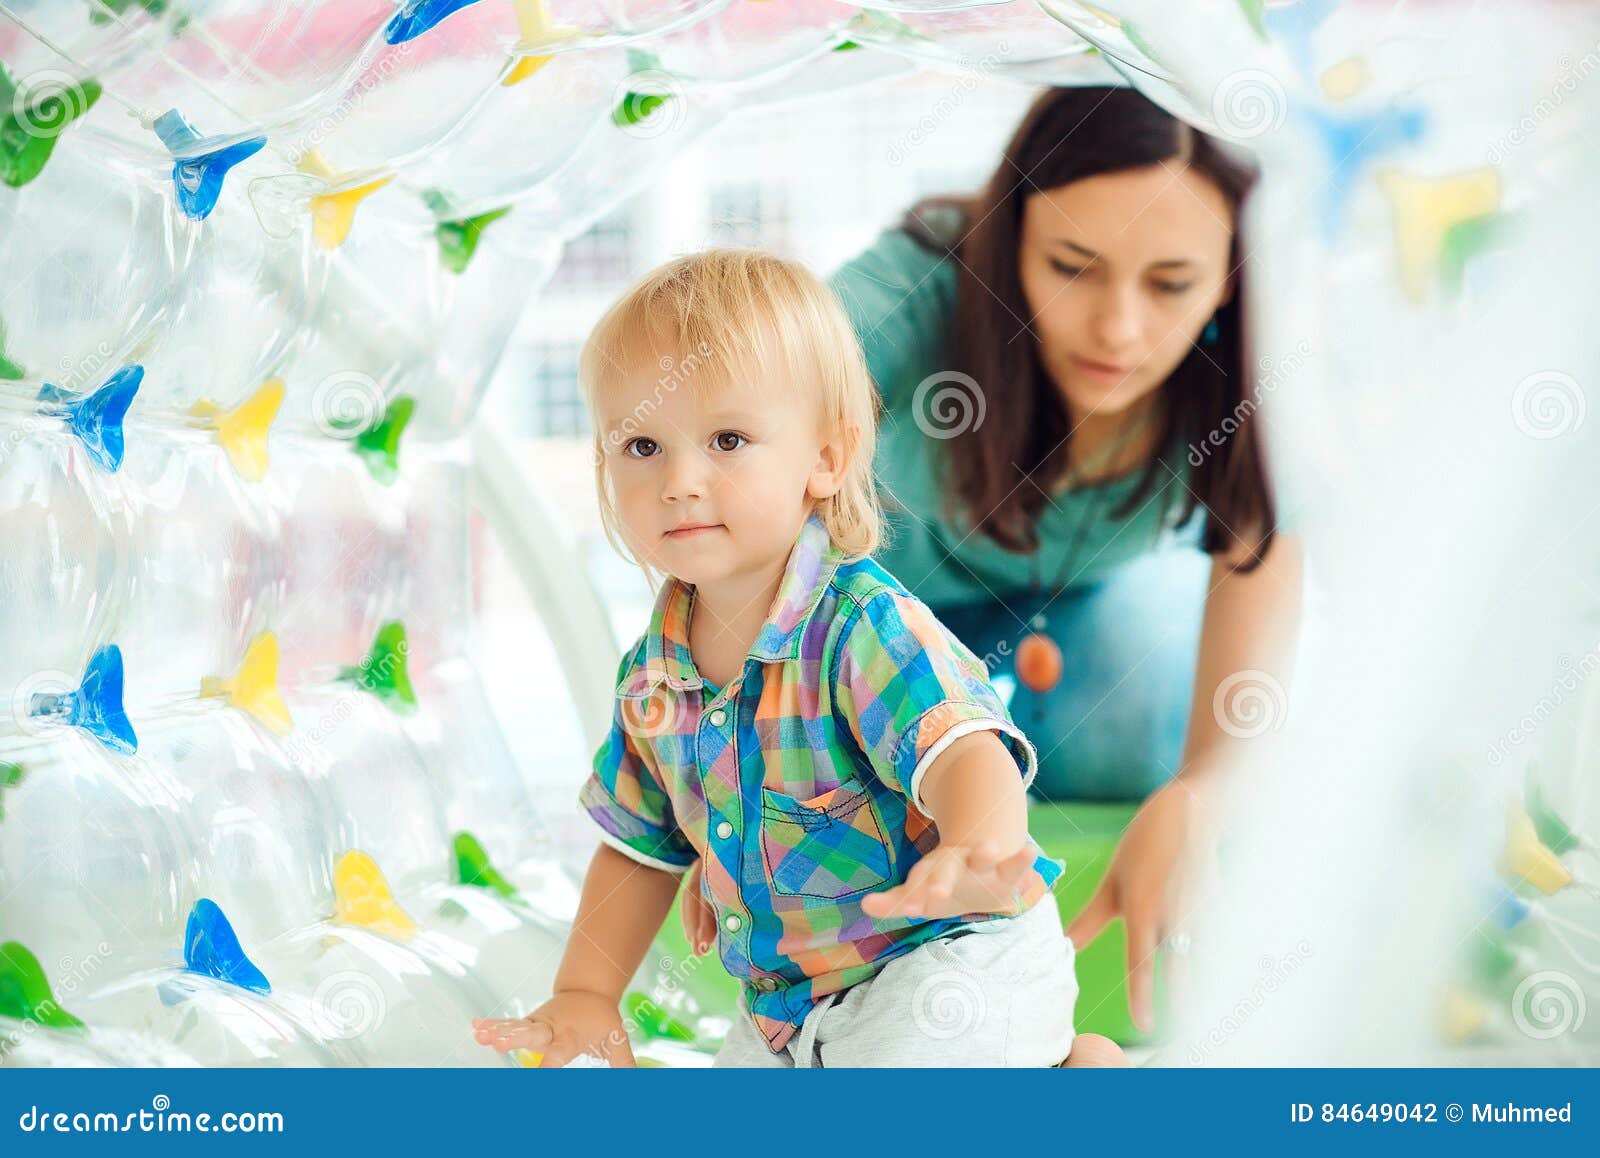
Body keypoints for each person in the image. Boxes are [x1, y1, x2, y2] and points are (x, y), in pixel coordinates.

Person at [686, 85, 1303, 1034]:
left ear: (1231, 275)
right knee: (824, 764)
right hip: (863, 613)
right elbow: (735, 443)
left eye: (1172, 283)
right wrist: (718, 749)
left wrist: (1200, 794)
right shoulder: (920, 283)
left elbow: (1260, 567)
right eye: (1072, 266)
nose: (1119, 329)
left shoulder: (1268, 363)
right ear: (1010, 235)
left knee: (1140, 738)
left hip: (1085, 603)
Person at [472, 248, 1117, 1067]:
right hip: (789, 1009)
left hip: (949, 957)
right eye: (640, 446)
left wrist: (975, 848)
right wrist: (587, 992)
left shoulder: (860, 626)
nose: (680, 480)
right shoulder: (651, 678)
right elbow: (639, 849)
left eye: (728, 439)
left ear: (826, 458)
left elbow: (964, 748)